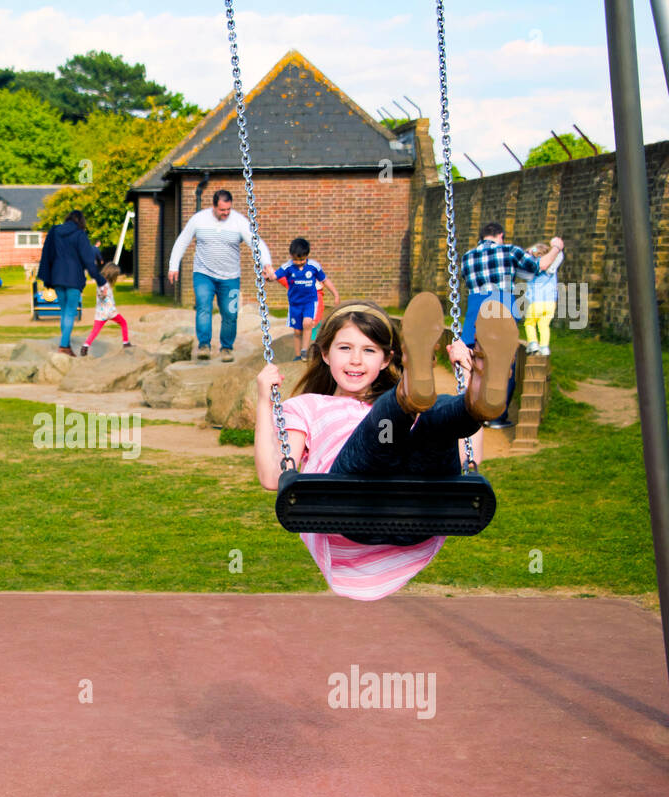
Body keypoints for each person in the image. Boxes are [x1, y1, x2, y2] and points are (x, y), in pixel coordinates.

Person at [253, 293, 515, 600]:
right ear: (325, 353)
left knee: (434, 422)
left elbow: (466, 456)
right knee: (388, 425)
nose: (355, 360)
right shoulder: (307, 406)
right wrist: (264, 401)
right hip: (349, 506)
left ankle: (476, 404)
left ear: (387, 359)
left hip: (417, 515)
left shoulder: (413, 410)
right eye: (345, 348)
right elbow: (274, 476)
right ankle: (412, 395)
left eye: (369, 350)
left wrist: (468, 377)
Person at [460, 222, 563, 427]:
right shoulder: (509, 251)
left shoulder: (467, 257)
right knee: (503, 369)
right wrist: (556, 247)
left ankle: (470, 413)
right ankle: (496, 416)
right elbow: (540, 266)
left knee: (473, 368)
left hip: (475, 317)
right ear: (501, 235)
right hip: (501, 315)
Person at [167, 189, 274, 362]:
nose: (225, 213)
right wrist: (173, 266)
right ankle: (204, 345)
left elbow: (257, 243)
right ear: (214, 206)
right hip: (204, 274)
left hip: (230, 277)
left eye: (228, 210)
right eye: (222, 210)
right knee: (203, 307)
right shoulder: (199, 219)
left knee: (230, 313)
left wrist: (266, 264)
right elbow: (182, 240)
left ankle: (226, 348)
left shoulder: (239, 222)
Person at [37, 210, 104, 357]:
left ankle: (65, 343)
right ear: (81, 221)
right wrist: (100, 280)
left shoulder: (54, 231)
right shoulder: (80, 235)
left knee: (64, 311)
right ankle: (63, 346)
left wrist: (47, 277)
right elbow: (88, 260)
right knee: (70, 311)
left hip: (57, 276)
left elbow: (47, 254)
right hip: (73, 278)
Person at [275, 238, 339, 360]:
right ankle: (298, 354)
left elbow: (324, 285)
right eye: (295, 260)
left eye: (302, 260)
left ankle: (306, 351)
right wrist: (270, 275)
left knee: (309, 326)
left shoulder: (314, 270)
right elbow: (281, 279)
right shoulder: (290, 268)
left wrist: (335, 294)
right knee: (298, 332)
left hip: (310, 308)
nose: (299, 263)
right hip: (296, 305)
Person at [520, 241, 563, 356]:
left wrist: (530, 251)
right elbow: (560, 254)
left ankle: (533, 344)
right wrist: (556, 245)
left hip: (535, 301)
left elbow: (524, 259)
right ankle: (544, 347)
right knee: (544, 325)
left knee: (529, 323)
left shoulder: (533, 267)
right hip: (550, 302)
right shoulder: (552, 267)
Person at [79, 262, 132, 355]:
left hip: (101, 313)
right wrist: (103, 295)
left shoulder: (101, 281)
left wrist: (102, 294)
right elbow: (101, 294)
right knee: (123, 323)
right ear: (112, 275)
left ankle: (85, 346)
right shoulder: (104, 284)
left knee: (95, 331)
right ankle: (125, 343)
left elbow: (100, 293)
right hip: (110, 311)